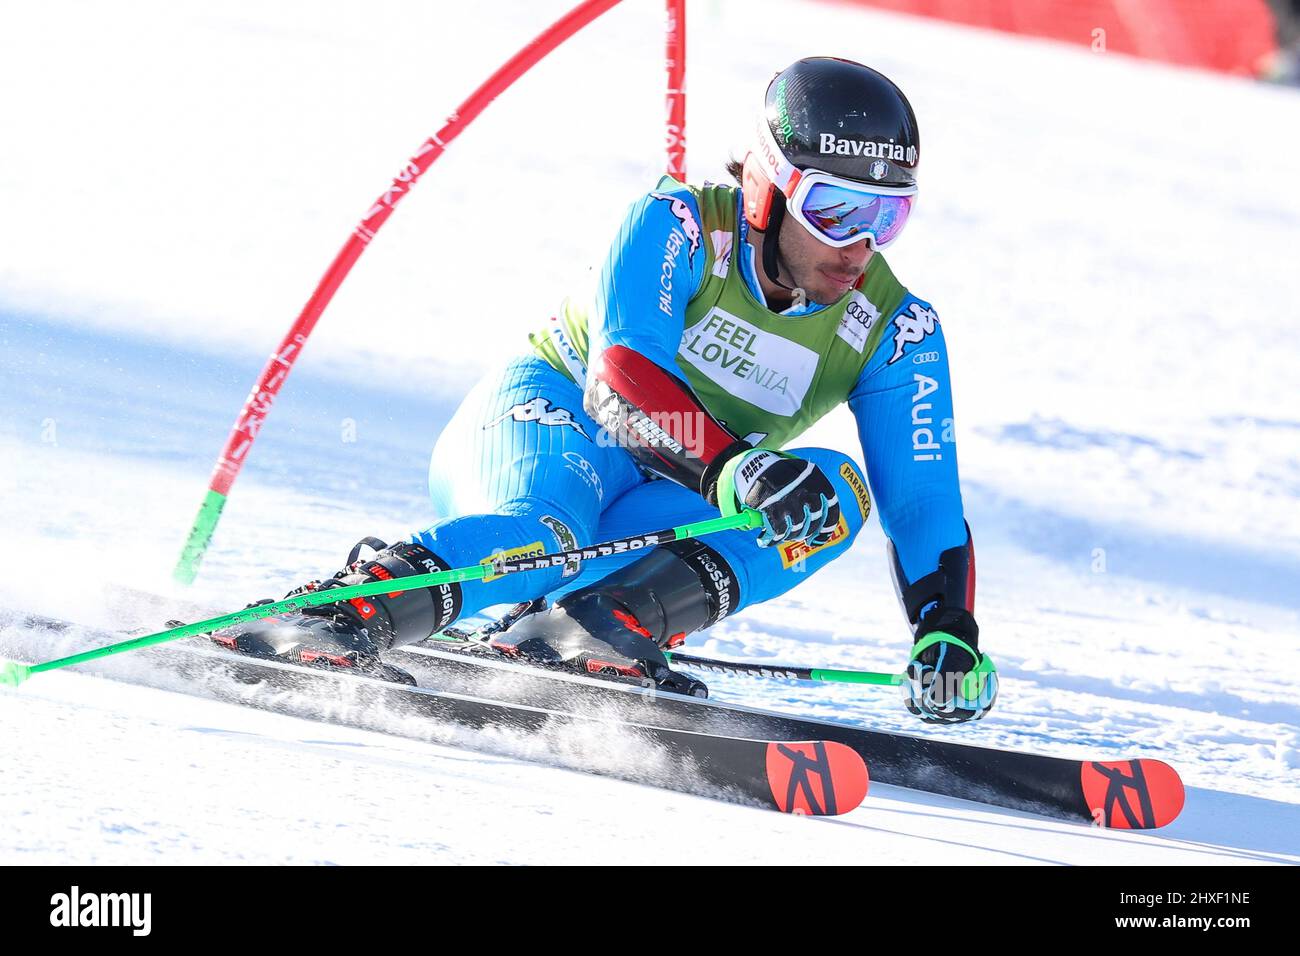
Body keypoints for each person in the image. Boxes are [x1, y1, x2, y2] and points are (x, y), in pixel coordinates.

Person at [224, 56, 998, 723]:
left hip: (673, 491)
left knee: (834, 494)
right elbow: (623, 381)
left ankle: (599, 627)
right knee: (547, 533)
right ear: (767, 191)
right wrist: (737, 467)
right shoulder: (678, 225)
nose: (859, 244)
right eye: (836, 209)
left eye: (888, 215)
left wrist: (947, 628)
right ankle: (342, 613)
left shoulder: (896, 328)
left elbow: (923, 503)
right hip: (555, 425)